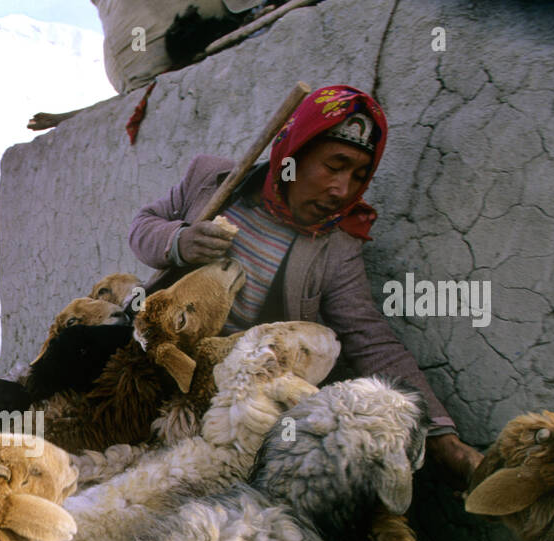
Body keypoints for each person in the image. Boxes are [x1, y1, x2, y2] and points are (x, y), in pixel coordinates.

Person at [128, 85, 483, 485]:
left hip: (231, 407)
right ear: (294, 153)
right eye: (334, 165)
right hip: (151, 364)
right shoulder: (213, 181)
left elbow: (370, 339)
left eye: (359, 176)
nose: (342, 190)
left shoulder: (336, 249)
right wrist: (179, 241)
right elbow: (143, 226)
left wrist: (441, 436)